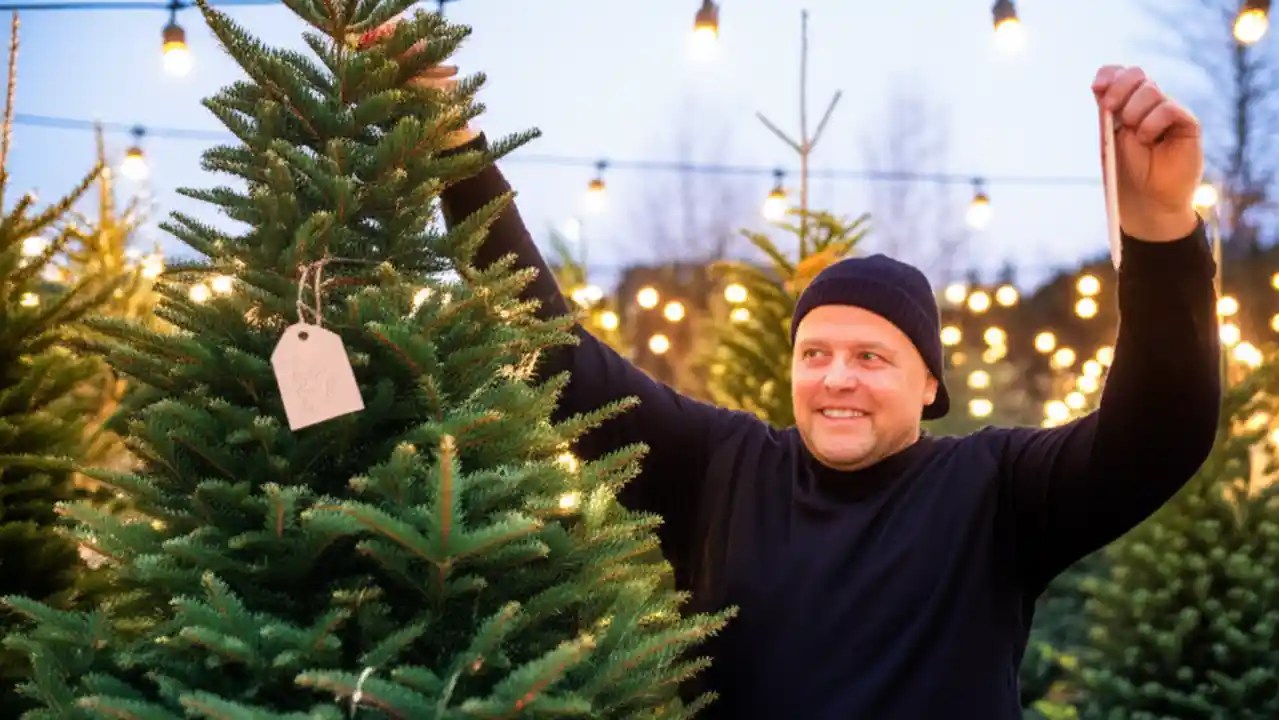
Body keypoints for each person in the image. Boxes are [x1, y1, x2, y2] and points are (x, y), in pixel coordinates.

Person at [392, 28, 1221, 717]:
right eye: (815, 354)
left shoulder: (995, 489)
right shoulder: (719, 467)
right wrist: (455, 148)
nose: (837, 378)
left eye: (872, 357)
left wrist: (1159, 229)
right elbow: (558, 356)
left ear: (931, 386)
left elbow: (1159, 433)